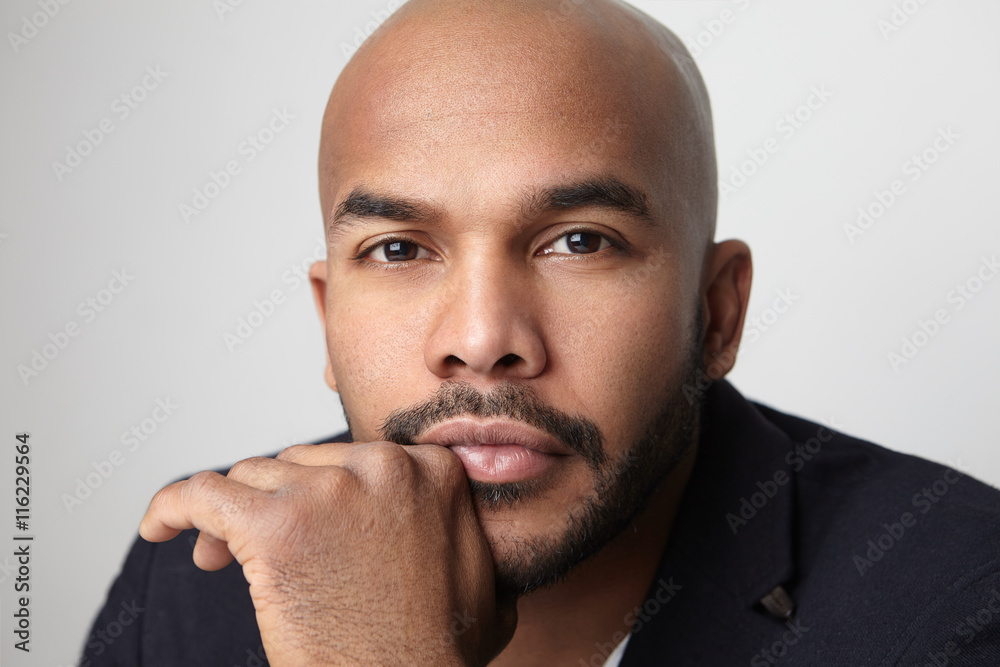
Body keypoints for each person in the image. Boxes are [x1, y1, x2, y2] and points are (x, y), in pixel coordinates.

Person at [81, 0, 1000, 664]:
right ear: (328, 317)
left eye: (579, 241)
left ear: (716, 313)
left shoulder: (956, 600)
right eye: (399, 248)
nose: (482, 340)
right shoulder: (195, 587)